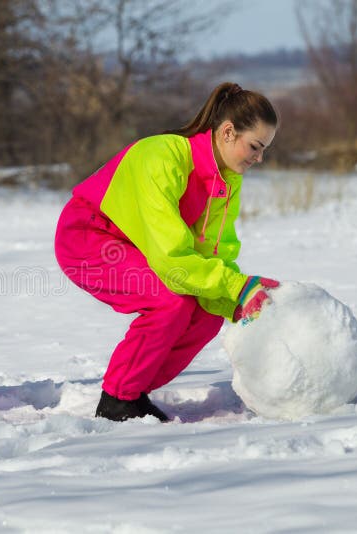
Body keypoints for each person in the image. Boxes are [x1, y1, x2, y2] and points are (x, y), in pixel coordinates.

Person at [55, 82, 280, 422]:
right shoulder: (163, 156)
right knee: (169, 301)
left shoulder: (225, 180)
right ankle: (117, 399)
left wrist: (233, 299)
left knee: (205, 314)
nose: (259, 157)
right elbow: (171, 256)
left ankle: (133, 391)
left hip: (138, 245)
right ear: (229, 132)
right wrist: (236, 287)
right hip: (88, 237)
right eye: (255, 146)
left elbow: (212, 253)